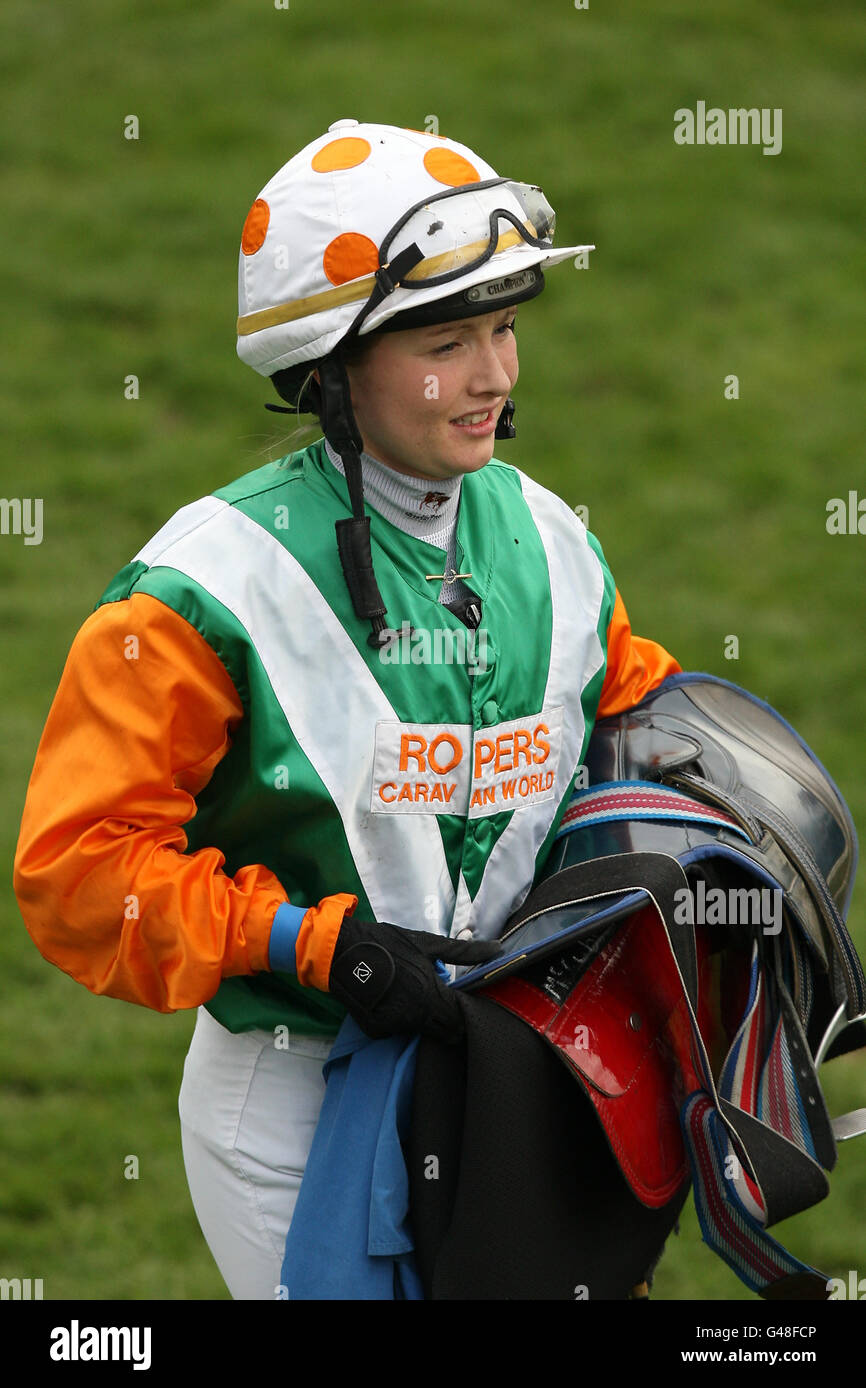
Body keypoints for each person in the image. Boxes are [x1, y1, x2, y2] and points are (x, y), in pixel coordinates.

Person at [13, 120, 682, 1300]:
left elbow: (640, 733)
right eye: (445, 341)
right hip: (293, 1095)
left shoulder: (553, 539)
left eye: (504, 327)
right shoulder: (196, 591)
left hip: (523, 1070)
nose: (495, 376)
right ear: (330, 366)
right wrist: (314, 945)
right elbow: (76, 871)